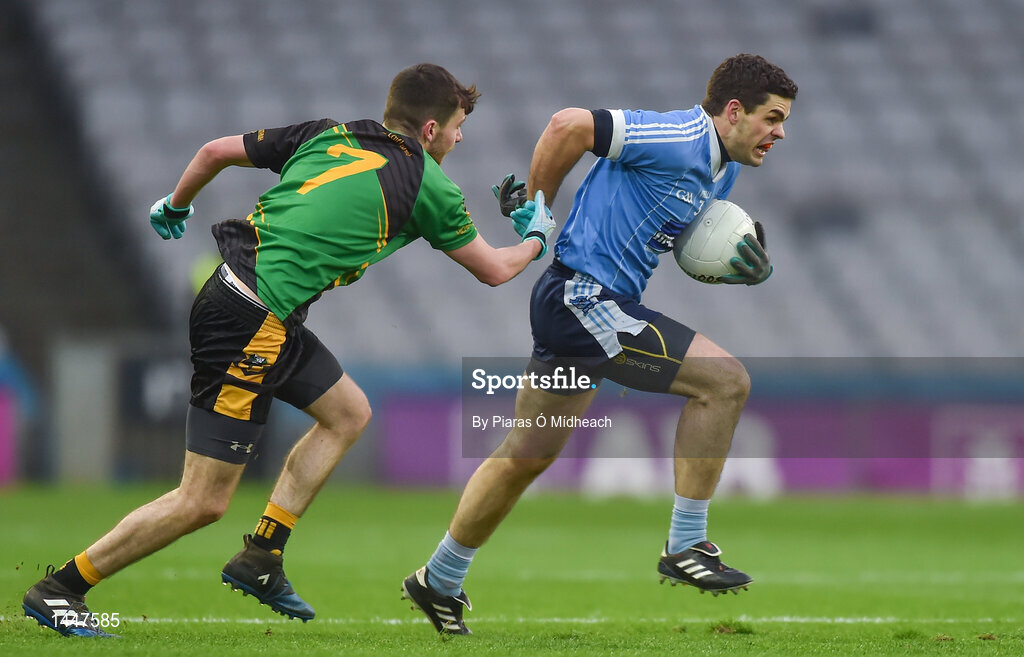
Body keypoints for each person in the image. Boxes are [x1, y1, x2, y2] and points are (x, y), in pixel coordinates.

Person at [22, 62, 555, 638]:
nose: (458, 139)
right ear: (428, 130)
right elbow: (497, 271)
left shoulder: (328, 133)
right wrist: (536, 237)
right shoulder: (427, 182)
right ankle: (62, 589)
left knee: (349, 413)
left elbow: (212, 152)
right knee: (202, 500)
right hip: (253, 319)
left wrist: (176, 204)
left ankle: (262, 556)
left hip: (247, 300)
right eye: (455, 128)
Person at [401, 53, 797, 635]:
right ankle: (686, 544)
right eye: (772, 117)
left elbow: (689, 244)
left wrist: (745, 268)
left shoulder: (722, 170)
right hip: (586, 300)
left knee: (526, 455)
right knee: (725, 381)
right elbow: (568, 125)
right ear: (733, 112)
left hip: (580, 303)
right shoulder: (679, 136)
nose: (780, 133)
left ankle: (439, 578)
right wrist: (537, 211)